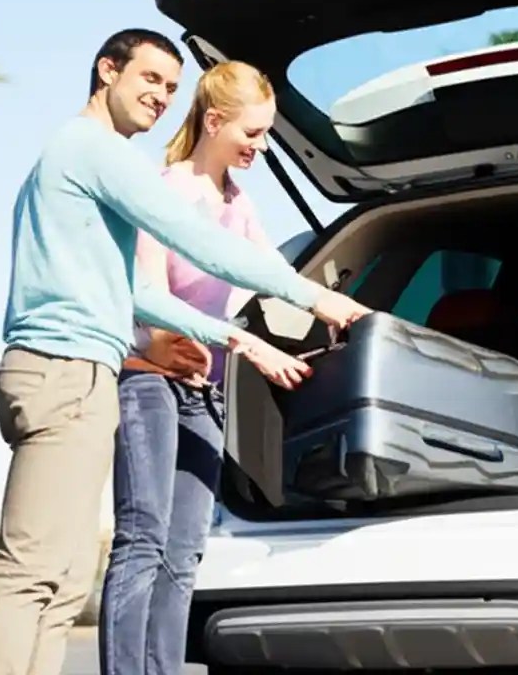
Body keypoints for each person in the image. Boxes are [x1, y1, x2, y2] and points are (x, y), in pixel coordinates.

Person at [0, 29, 369, 675]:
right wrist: (317, 300)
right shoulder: (93, 149)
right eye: (148, 79)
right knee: (35, 572)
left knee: (63, 581)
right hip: (65, 369)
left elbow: (135, 292)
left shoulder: (79, 166)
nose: (159, 97)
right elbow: (196, 241)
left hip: (78, 371)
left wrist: (239, 339)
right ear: (107, 71)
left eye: (170, 87)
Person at [97, 60, 302, 675]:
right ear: (214, 121)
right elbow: (151, 298)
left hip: (205, 391)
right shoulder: (164, 190)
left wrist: (342, 314)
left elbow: (279, 280)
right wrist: (191, 346)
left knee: (185, 551)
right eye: (252, 133)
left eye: (266, 135)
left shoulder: (240, 204)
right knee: (143, 538)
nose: (260, 147)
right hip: (149, 379)